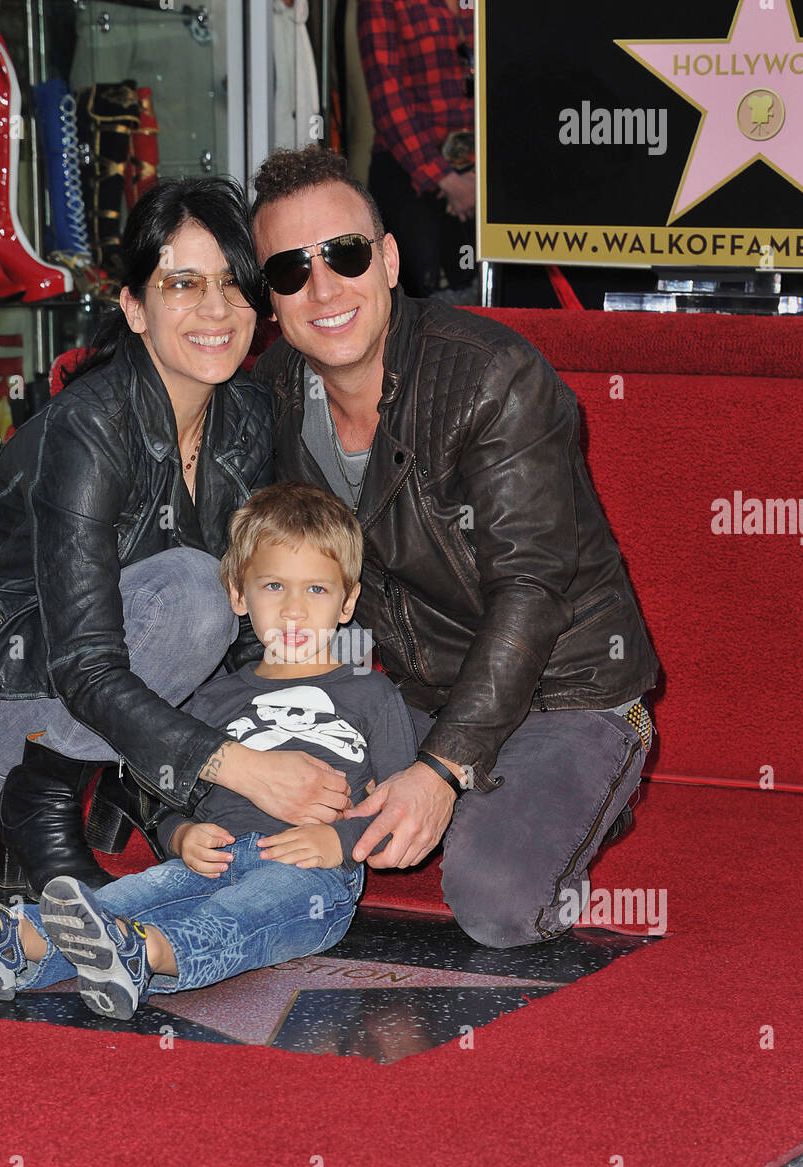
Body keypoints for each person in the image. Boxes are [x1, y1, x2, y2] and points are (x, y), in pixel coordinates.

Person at [249, 146, 660, 950]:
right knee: (249, 816)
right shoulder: (273, 390)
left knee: (496, 902)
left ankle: (590, 776)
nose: (323, 288)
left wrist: (442, 771)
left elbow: (532, 591)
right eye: (291, 270)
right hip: (416, 689)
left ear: (390, 257)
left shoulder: (490, 376)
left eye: (345, 254)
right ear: (272, 297)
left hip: (564, 687)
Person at [0, 177, 356, 899]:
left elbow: (250, 623)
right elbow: (87, 665)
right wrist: (237, 766)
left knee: (228, 616)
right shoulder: (88, 429)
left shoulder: (246, 415)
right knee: (198, 593)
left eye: (233, 283)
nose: (215, 309)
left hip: (109, 670)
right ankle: (41, 802)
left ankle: (131, 781)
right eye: (182, 284)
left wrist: (294, 733)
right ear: (135, 307)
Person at [0, 483, 419, 1018]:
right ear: (238, 595)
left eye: (316, 590)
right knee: (119, 900)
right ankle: (15, 943)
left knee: (235, 917)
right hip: (214, 856)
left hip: (312, 876)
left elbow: (396, 801)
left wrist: (337, 840)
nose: (294, 610)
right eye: (274, 585)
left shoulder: (371, 692)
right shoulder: (215, 696)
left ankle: (144, 954)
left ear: (348, 601)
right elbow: (174, 797)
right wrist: (180, 834)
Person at [357, 0, 476, 299]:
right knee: (419, 311)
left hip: (476, 176)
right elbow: (387, 101)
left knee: (486, 309)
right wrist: (448, 181)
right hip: (409, 173)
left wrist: (480, 173)